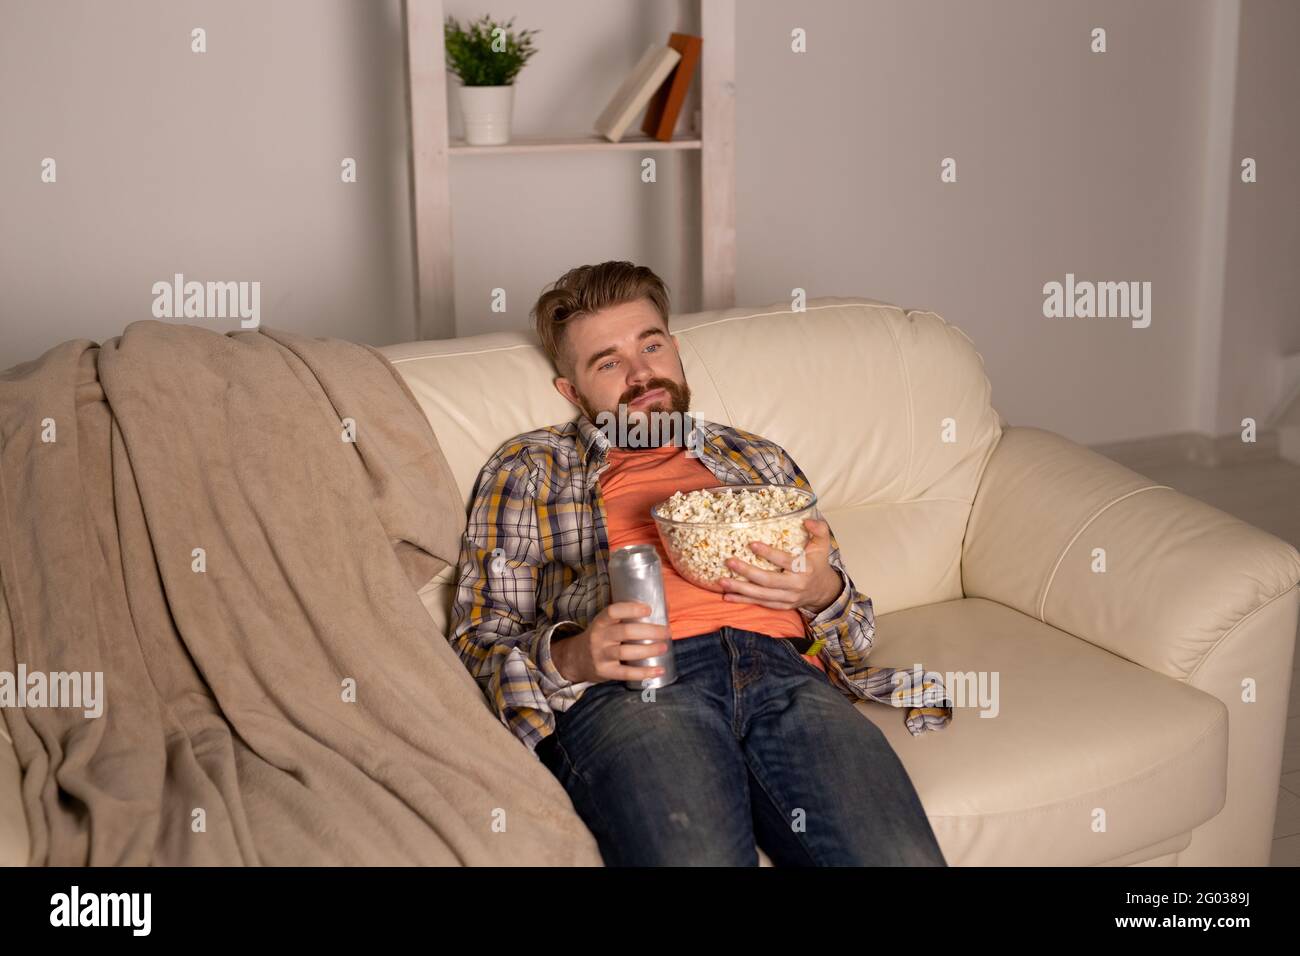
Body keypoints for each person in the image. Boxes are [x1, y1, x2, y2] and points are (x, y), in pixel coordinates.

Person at [448, 260, 947, 866]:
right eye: (608, 363)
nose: (640, 374)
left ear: (676, 351)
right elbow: (477, 640)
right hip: (635, 690)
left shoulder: (756, 458)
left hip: (788, 675)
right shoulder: (529, 469)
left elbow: (855, 633)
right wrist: (574, 655)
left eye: (651, 346)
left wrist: (818, 591)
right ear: (572, 392)